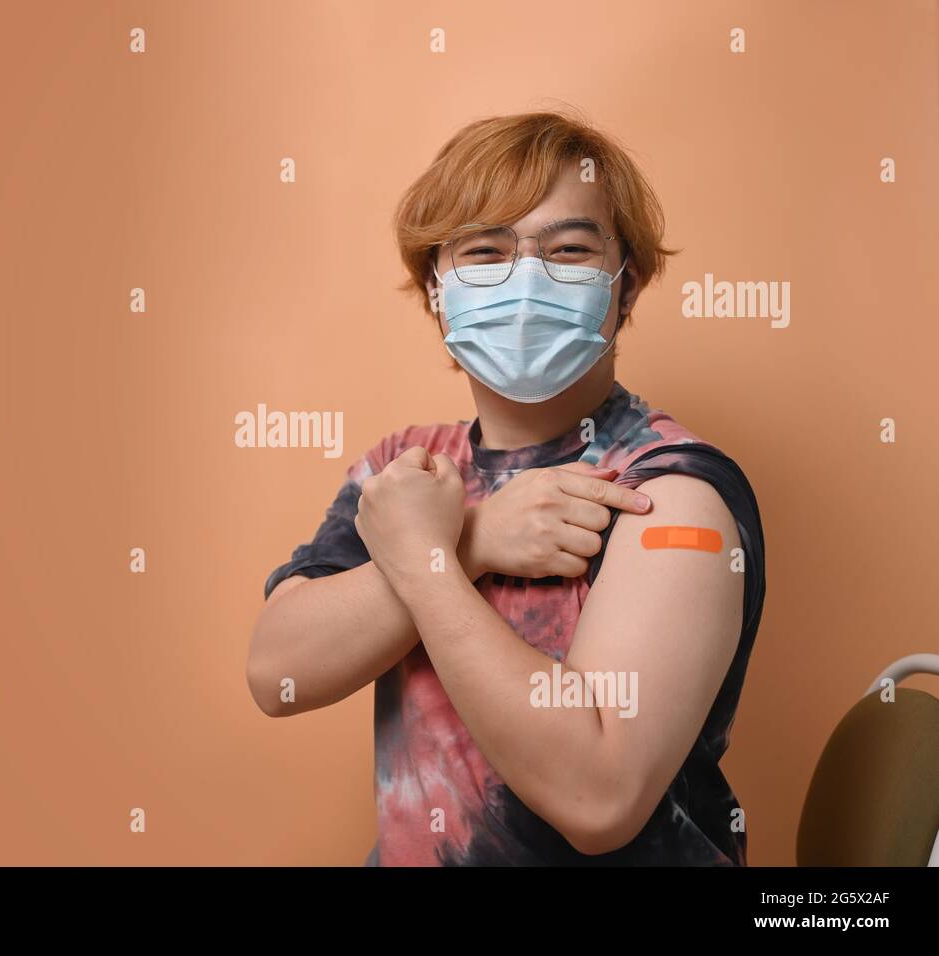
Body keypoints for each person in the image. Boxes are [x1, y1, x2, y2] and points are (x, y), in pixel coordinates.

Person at [245, 109, 767, 866]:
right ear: (436, 288)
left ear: (627, 287)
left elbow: (600, 797)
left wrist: (425, 561)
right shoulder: (407, 467)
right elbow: (277, 672)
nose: (526, 280)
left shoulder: (672, 490)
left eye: (570, 249)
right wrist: (473, 541)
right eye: (485, 250)